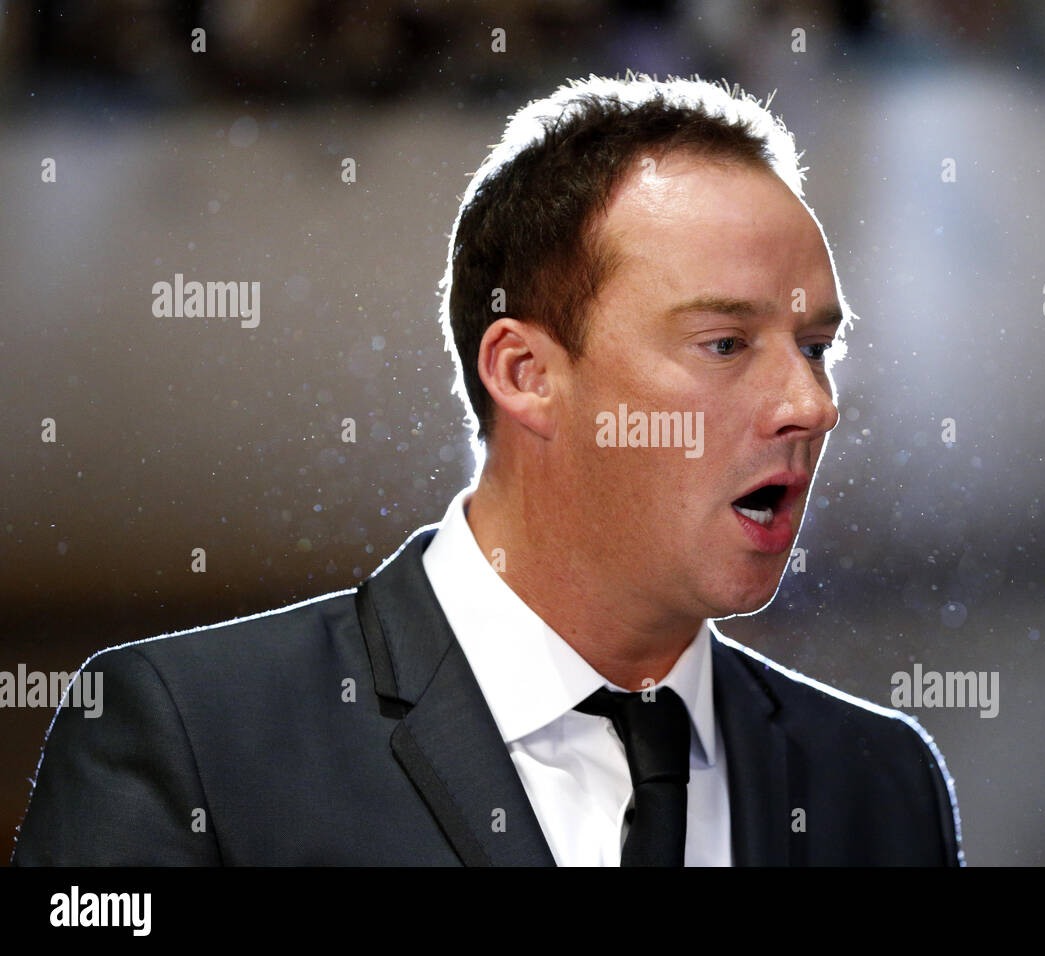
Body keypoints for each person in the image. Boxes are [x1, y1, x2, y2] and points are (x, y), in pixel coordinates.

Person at [12, 73, 962, 866]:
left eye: (816, 347)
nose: (811, 405)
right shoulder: (194, 744)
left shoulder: (879, 783)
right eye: (724, 343)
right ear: (526, 374)